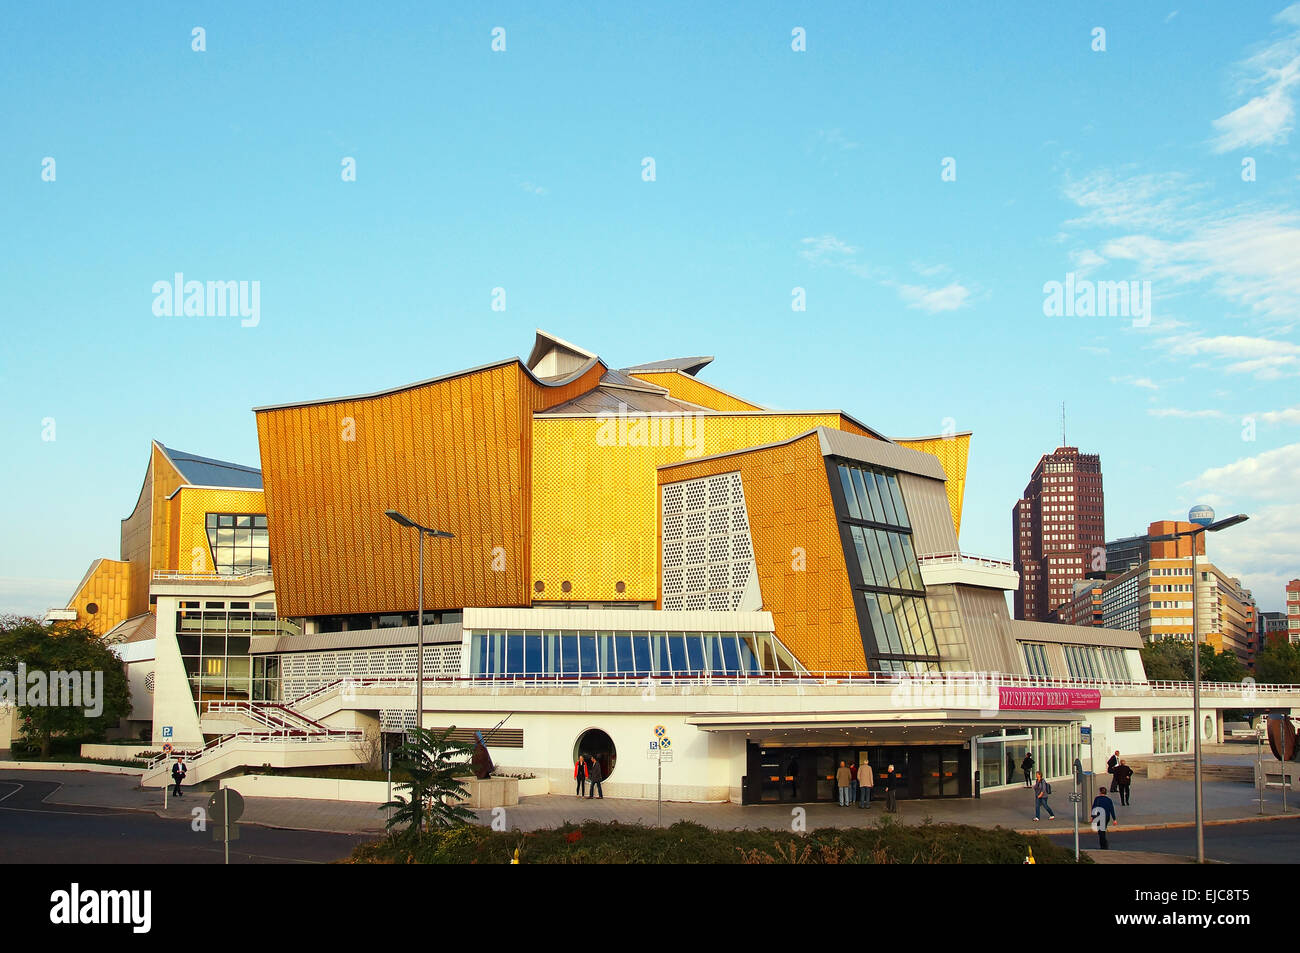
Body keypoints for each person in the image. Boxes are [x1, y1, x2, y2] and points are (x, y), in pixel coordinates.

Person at [1091, 785, 1117, 850]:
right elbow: (1112, 809)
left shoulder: (1097, 799)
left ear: (1100, 792)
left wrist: (1093, 817)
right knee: (1102, 830)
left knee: (1101, 832)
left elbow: (1094, 808)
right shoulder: (1109, 800)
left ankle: (1103, 845)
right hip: (1106, 817)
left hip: (1099, 817)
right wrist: (1114, 819)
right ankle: (1104, 843)